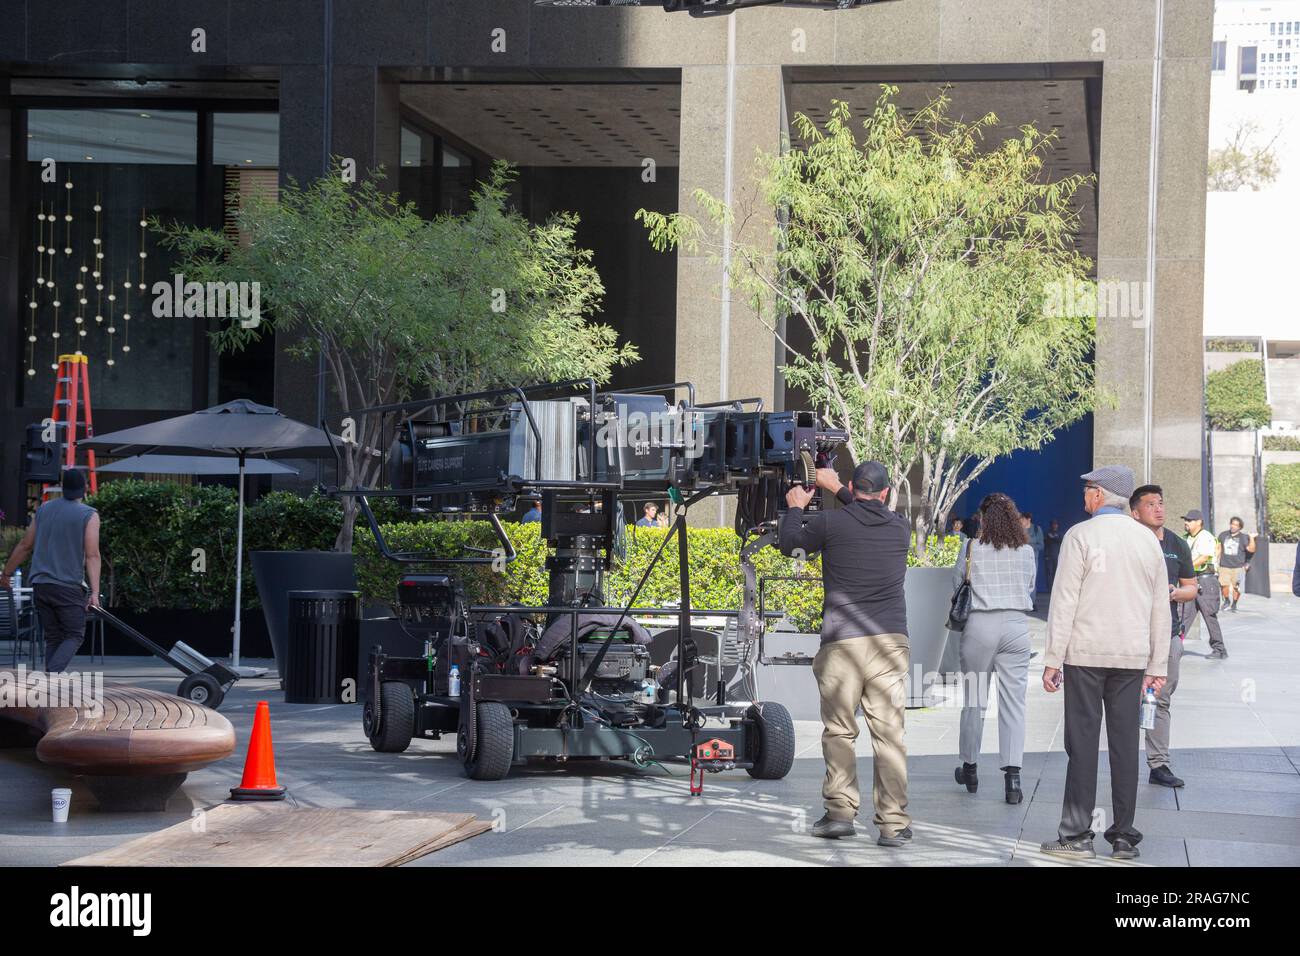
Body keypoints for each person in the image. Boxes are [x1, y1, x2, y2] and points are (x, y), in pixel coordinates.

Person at [1039, 466, 1169, 861]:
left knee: (1081, 744)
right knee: (1125, 745)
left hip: (1085, 655)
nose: (1084, 498)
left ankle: (1077, 835)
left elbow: (1064, 602)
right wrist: (1157, 665)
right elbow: (1160, 606)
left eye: (1087, 491)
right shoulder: (1147, 541)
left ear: (1098, 496)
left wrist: (1052, 658)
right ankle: (1124, 836)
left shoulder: (1080, 536)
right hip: (1132, 657)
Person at [780, 460, 912, 847]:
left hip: (842, 643)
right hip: (889, 641)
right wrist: (836, 486)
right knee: (889, 734)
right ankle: (892, 824)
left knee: (839, 730)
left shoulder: (830, 525)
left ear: (854, 486)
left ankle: (840, 813)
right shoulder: (900, 529)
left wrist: (795, 506)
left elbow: (791, 544)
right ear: (886, 493)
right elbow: (866, 510)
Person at [950, 493, 1036, 805]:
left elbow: (958, 582)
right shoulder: (1026, 551)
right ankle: (1012, 778)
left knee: (974, 699)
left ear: (984, 519)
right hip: (1016, 626)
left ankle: (970, 767)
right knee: (1014, 704)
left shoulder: (972, 547)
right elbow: (1029, 586)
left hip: (980, 626)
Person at [0, 468, 102, 672]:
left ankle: (48, 690)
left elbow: (25, 545)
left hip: (41, 586)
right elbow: (92, 555)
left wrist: (6, 574)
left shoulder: (44, 509)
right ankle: (50, 677)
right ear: (85, 489)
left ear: (63, 488)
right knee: (74, 634)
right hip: (67, 587)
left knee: (54, 637)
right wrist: (95, 593)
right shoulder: (89, 515)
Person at [1129, 485, 1197, 789]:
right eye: (1150, 504)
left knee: (1159, 699)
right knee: (1126, 701)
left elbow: (1191, 588)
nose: (1158, 508)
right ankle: (1124, 761)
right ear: (1135, 512)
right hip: (1129, 635)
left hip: (1166, 635)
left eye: (1161, 502)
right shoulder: (1127, 543)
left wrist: (1175, 593)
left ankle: (1159, 764)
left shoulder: (1177, 544)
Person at [1181, 509, 1227, 659]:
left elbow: (1203, 558)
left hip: (1206, 581)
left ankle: (1219, 650)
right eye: (1185, 520)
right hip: (1193, 580)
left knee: (1209, 615)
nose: (1186, 523)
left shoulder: (1205, 537)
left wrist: (1184, 569)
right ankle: (1174, 646)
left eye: (1190, 520)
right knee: (1184, 616)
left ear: (1199, 522)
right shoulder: (1187, 538)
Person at [1217, 517, 1256, 612]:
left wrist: (1251, 538)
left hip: (1238, 566)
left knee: (1236, 587)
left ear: (1240, 527)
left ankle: (1234, 604)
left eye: (1236, 525)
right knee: (1224, 585)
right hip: (1224, 565)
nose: (1233, 526)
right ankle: (1226, 600)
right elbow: (1219, 548)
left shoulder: (1243, 537)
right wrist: (1216, 561)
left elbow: (1251, 550)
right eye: (1232, 524)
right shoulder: (1223, 535)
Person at [1021, 512, 1044, 605]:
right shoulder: (1019, 530)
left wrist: (1028, 546)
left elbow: (1041, 546)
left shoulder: (1036, 529)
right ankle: (1022, 602)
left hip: (1033, 559)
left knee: (1032, 581)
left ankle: (1031, 602)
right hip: (1020, 559)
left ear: (1028, 519)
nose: (1020, 522)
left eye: (1022, 519)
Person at [1043, 519, 1063, 592]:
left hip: (1057, 556)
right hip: (1049, 556)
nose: (1054, 525)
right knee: (1049, 573)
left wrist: (1054, 538)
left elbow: (1060, 541)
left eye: (1056, 524)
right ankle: (1050, 590)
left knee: (1057, 573)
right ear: (1051, 525)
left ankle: (1056, 590)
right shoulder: (1047, 533)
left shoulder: (1060, 534)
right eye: (1053, 524)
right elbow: (1046, 542)